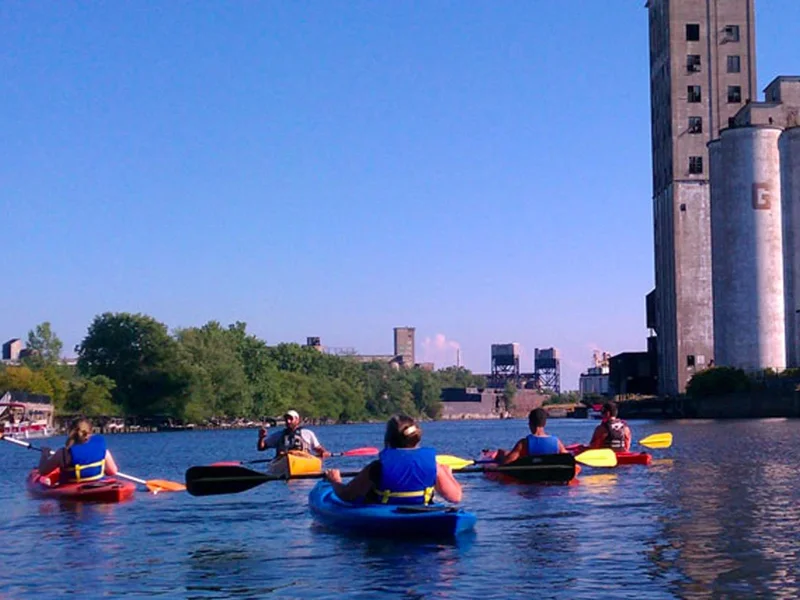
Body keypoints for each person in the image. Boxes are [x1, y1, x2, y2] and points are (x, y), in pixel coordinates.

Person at [323, 414, 462, 504]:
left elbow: (347, 495)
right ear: (417, 438)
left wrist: (335, 481)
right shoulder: (434, 466)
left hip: (384, 518)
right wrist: (448, 474)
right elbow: (455, 497)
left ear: (388, 438)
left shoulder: (377, 468)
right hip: (421, 513)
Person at [38, 418, 119, 484]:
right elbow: (113, 471)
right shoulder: (102, 448)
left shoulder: (63, 453)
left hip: (71, 493)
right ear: (90, 432)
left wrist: (45, 454)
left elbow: (42, 471)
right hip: (97, 484)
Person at [496, 408, 568, 465]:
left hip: (529, 474)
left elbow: (507, 462)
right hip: (550, 474)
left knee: (502, 453)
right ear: (545, 423)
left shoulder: (524, 443)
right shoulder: (556, 442)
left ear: (530, 423)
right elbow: (567, 458)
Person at [257, 410, 330, 458]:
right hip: (283, 461)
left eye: (291, 419)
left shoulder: (307, 433)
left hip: (302, 460)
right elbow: (261, 448)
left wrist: (324, 452)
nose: (288, 421)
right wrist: (261, 438)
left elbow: (318, 448)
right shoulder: (279, 435)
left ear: (297, 420)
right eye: (286, 419)